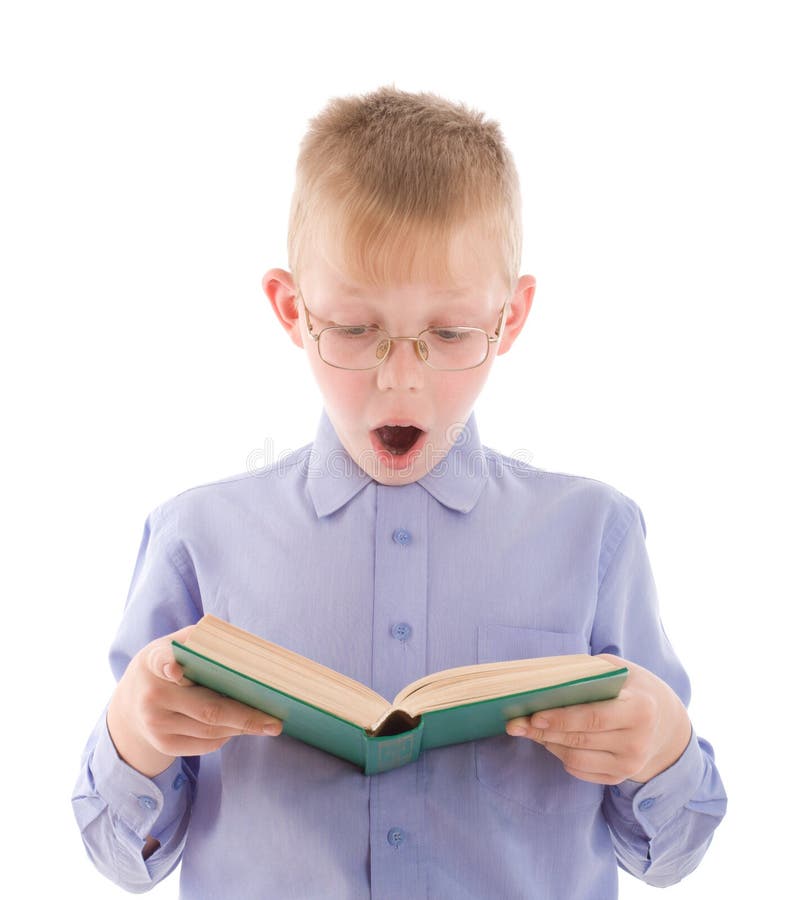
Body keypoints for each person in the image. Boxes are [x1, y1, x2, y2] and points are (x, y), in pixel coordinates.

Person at [72, 86, 726, 899]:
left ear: (510, 318)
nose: (400, 377)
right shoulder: (196, 534)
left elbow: (670, 850)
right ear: (290, 309)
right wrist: (133, 736)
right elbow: (119, 854)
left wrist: (663, 748)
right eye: (353, 329)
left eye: (449, 334)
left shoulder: (593, 533)